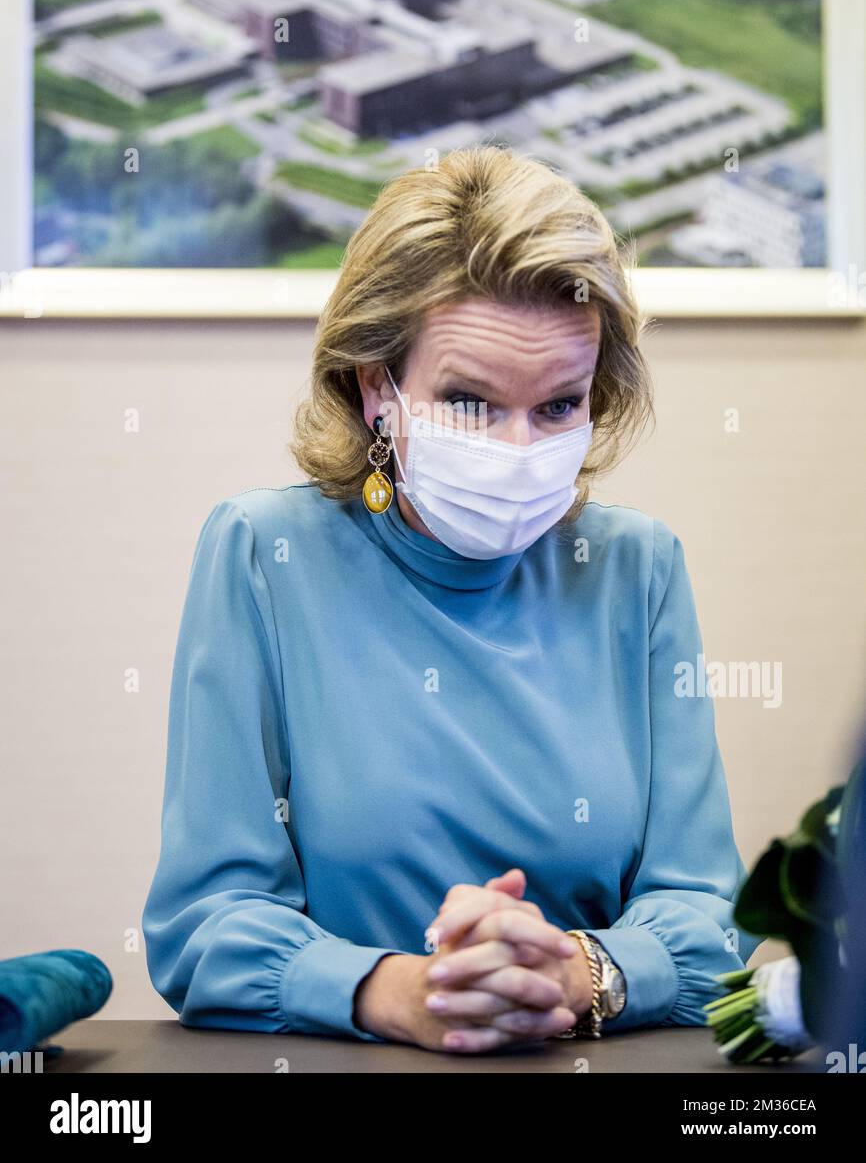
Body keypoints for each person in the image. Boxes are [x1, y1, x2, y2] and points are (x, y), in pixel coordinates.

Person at [142, 145, 762, 1054]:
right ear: (375, 387)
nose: (518, 448)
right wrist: (402, 992)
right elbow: (202, 926)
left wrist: (580, 971)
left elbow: (710, 917)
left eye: (558, 407)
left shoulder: (638, 567)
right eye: (470, 402)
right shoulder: (263, 556)